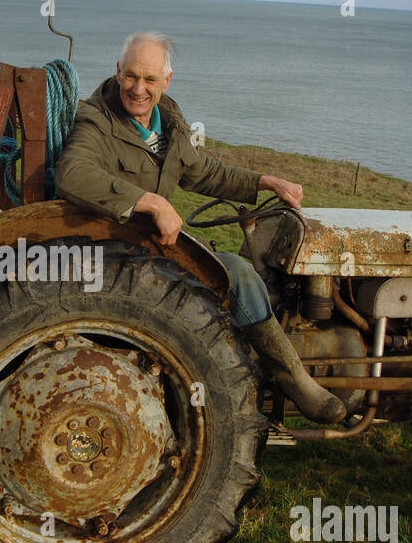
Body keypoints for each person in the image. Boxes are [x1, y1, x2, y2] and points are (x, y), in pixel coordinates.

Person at [55, 31, 346, 424]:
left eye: (150, 80)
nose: (139, 89)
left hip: (154, 247)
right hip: (122, 252)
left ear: (166, 82)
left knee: (249, 268)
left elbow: (200, 171)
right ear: (118, 71)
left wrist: (264, 181)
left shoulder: (167, 117)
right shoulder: (97, 120)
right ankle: (291, 377)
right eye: (131, 77)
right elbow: (73, 174)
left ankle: (265, 366)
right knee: (240, 274)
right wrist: (152, 202)